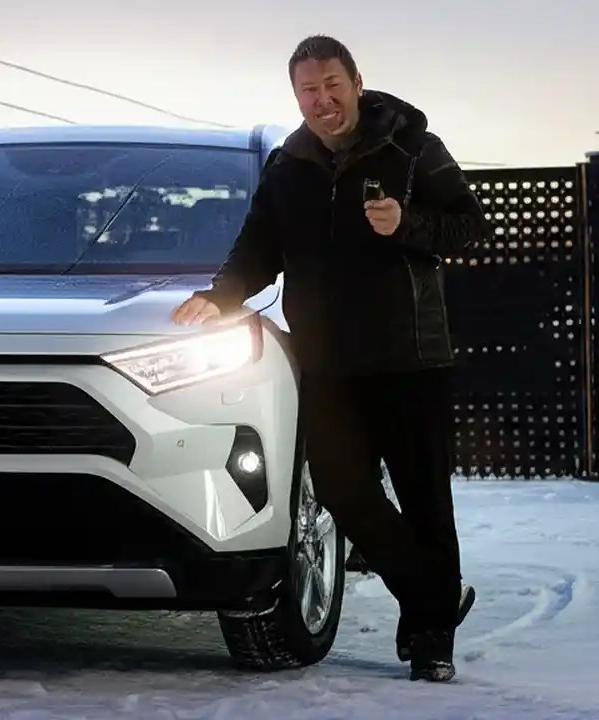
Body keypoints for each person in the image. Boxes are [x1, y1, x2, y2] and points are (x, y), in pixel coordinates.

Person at [172, 35, 485, 682]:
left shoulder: (412, 147)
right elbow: (258, 247)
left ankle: (432, 644)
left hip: (411, 356)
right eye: (309, 89)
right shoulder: (288, 167)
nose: (323, 99)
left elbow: (470, 225)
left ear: (357, 81)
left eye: (332, 84)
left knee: (427, 502)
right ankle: (437, 598)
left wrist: (407, 223)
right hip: (329, 363)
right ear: (297, 96)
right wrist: (220, 298)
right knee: (342, 492)